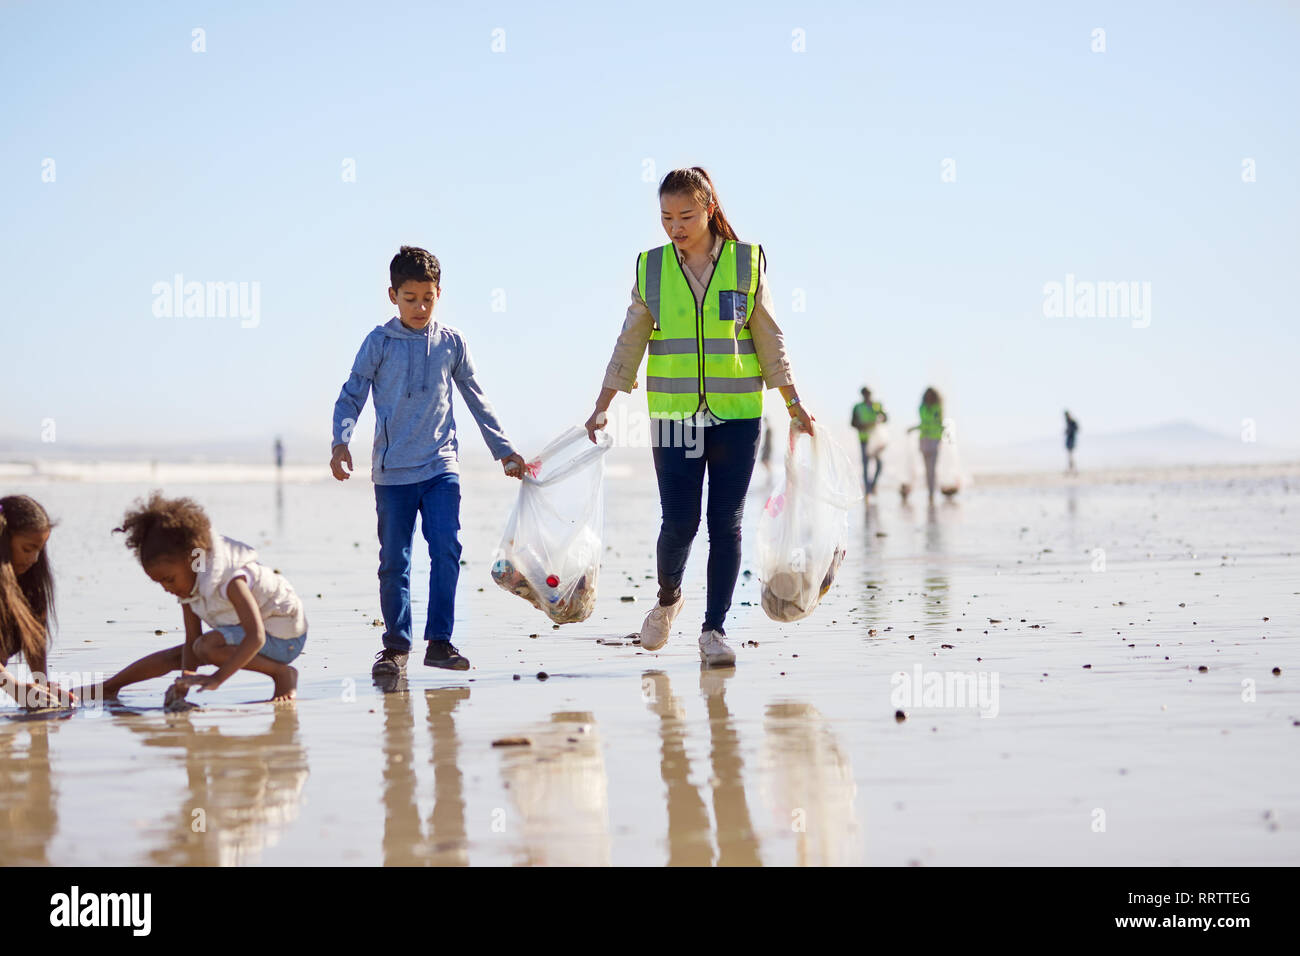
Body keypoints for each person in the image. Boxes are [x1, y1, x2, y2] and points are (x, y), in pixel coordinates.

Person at [584, 166, 815, 668]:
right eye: (666, 217)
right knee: (679, 523)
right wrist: (603, 405)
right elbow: (630, 341)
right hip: (675, 416)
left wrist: (794, 404)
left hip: (736, 414)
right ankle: (669, 600)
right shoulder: (651, 269)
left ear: (709, 208)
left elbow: (769, 338)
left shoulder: (746, 263)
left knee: (725, 524)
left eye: (686, 215)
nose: (675, 226)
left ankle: (714, 630)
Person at [331, 245, 527, 679]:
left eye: (427, 298)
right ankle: (396, 649)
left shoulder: (451, 343)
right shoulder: (378, 343)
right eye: (409, 298)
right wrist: (340, 442)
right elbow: (352, 394)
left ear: (439, 293)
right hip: (392, 472)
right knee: (394, 561)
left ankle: (439, 642)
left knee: (446, 549)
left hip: (441, 468)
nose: (419, 307)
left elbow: (476, 397)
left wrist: (503, 450)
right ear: (392, 296)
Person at [91, 492, 307, 703]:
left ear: (191, 558)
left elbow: (256, 637)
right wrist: (183, 687)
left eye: (169, 579)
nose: (166, 588)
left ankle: (281, 673)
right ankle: (109, 687)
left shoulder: (232, 581)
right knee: (190, 650)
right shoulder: (191, 586)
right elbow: (192, 642)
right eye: (159, 583)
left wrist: (217, 679)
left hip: (285, 637)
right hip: (257, 634)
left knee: (207, 648)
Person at [0, 495, 73, 709]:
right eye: (27, 549)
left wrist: (41, 686)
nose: (34, 559)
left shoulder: (27, 583)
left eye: (39, 550)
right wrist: (16, 689)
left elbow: (36, 636)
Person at [906, 387, 944, 504]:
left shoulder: (937, 408)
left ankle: (931, 492)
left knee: (932, 467)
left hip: (934, 440)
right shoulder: (921, 408)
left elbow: (937, 423)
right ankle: (930, 490)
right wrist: (913, 428)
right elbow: (923, 423)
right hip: (924, 440)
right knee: (927, 468)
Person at [851, 386, 887, 495]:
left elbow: (886, 418)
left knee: (879, 464)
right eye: (865, 394)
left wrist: (880, 418)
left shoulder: (877, 405)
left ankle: (872, 485)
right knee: (866, 465)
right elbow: (853, 423)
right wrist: (862, 426)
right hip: (864, 439)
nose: (867, 396)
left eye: (868, 394)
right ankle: (867, 490)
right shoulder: (857, 407)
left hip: (876, 440)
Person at [1064, 410, 1079, 474]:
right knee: (1070, 456)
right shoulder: (1068, 422)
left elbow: (1077, 429)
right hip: (1069, 440)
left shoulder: (1072, 422)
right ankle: (1071, 469)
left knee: (1071, 456)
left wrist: (1070, 431)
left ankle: (1074, 470)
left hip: (1071, 440)